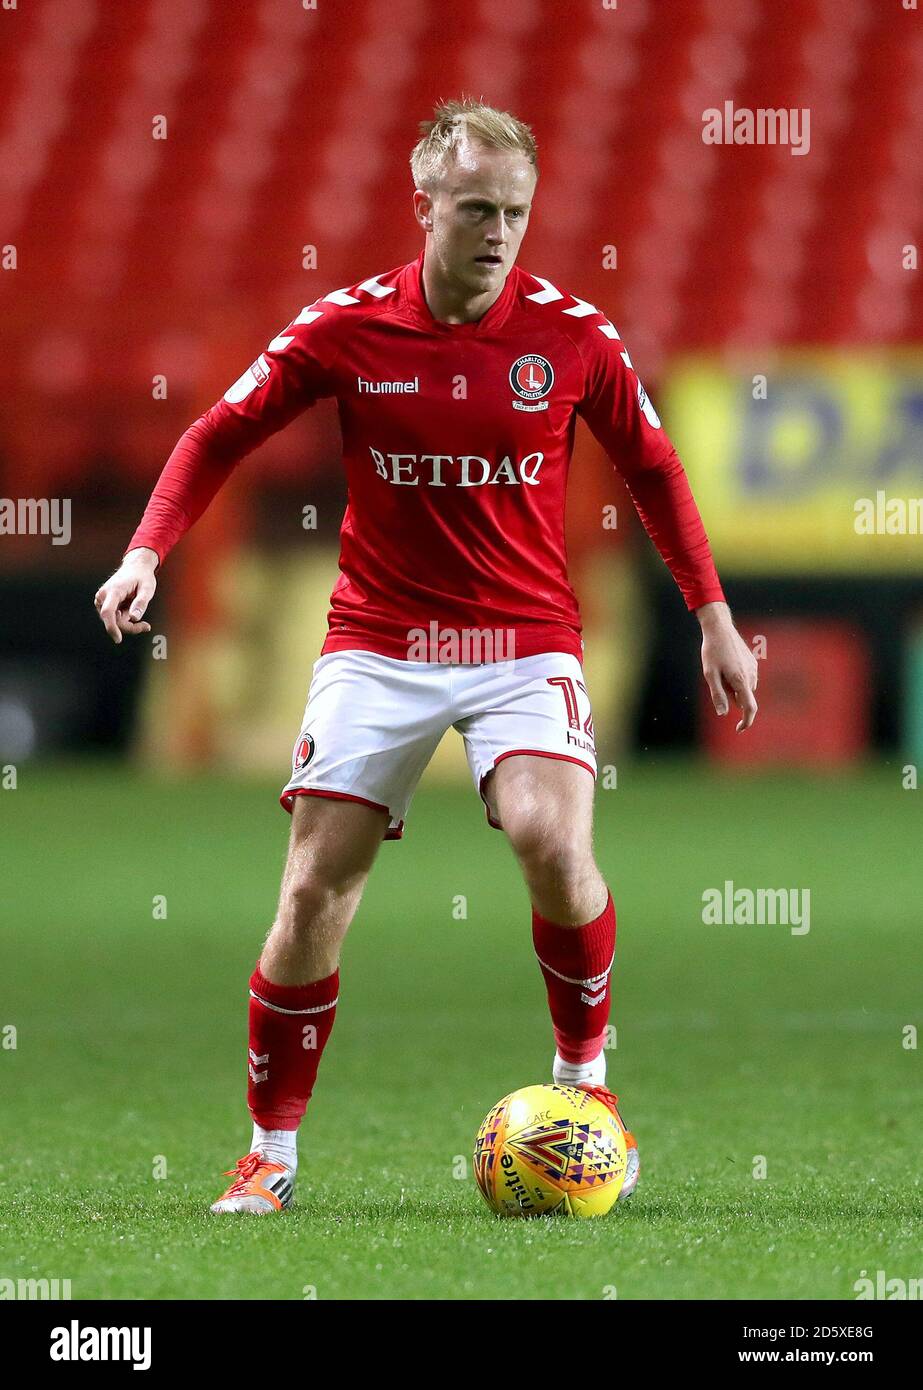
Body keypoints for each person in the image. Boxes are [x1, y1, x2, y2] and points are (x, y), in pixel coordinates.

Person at [95, 98, 758, 1215]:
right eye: (474, 209)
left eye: (514, 211)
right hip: (380, 642)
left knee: (552, 835)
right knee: (313, 890)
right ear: (424, 207)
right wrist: (148, 551)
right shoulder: (347, 327)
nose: (497, 232)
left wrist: (711, 612)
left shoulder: (573, 336)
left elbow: (652, 466)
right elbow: (219, 431)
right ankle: (270, 1153)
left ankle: (584, 1087)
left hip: (522, 636)